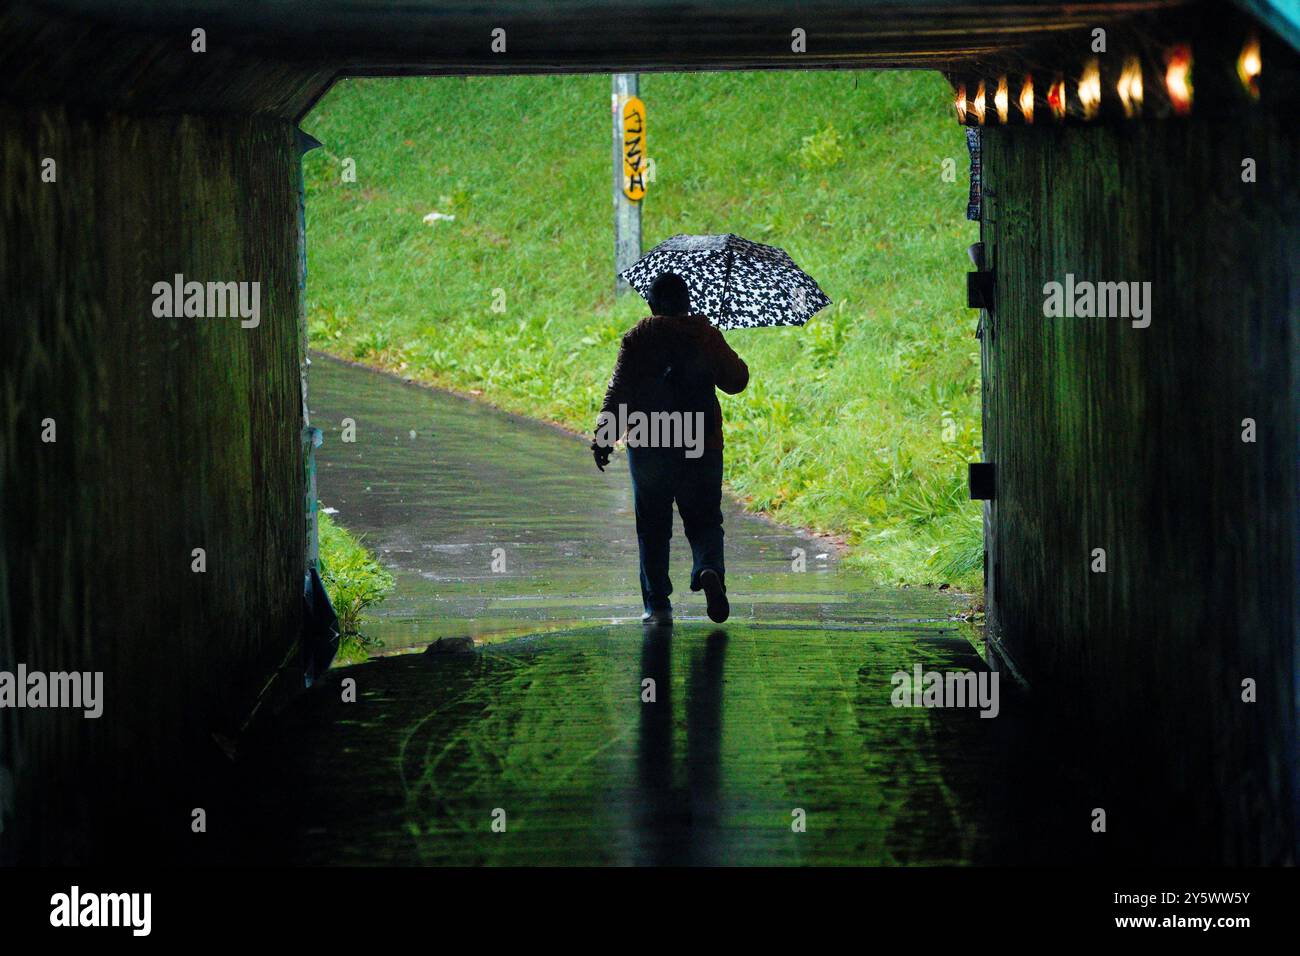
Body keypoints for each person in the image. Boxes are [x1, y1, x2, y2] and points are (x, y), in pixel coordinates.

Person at [591, 273, 749, 626]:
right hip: (699, 441)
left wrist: (604, 437)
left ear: (652, 304)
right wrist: (715, 342)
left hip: (649, 441)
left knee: (652, 524)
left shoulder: (638, 337)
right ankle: (708, 568)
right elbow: (736, 381)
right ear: (687, 303)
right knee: (705, 517)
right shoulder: (704, 335)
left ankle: (658, 603)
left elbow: (619, 393)